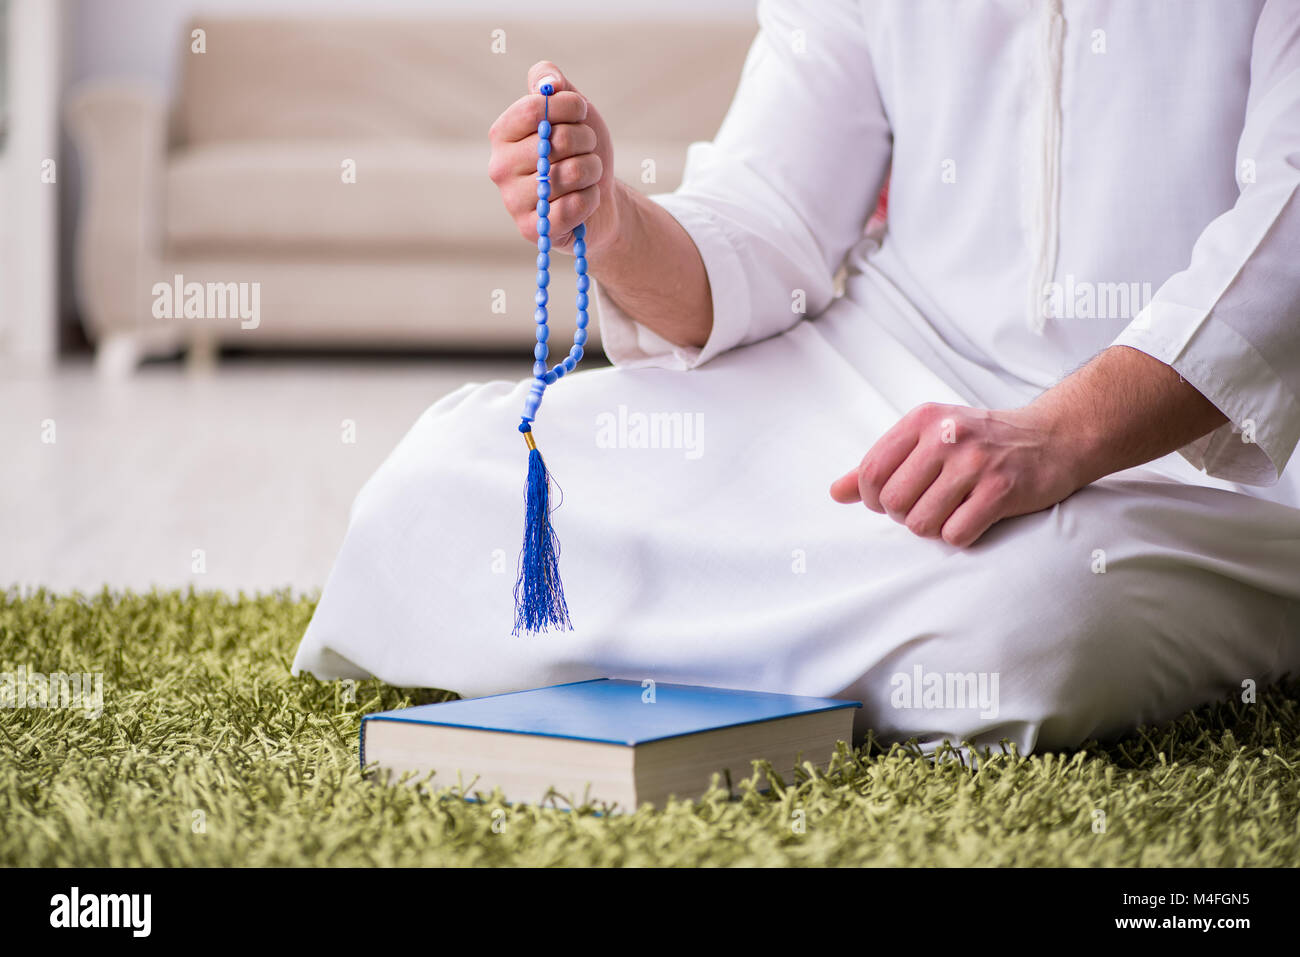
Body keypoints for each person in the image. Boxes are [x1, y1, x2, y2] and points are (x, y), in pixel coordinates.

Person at [293, 0, 1300, 753]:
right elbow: (769, 212)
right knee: (441, 483)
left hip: (1180, 448)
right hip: (880, 372)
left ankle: (672, 633)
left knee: (1033, 623)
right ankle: (836, 639)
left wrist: (1054, 438)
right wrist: (613, 222)